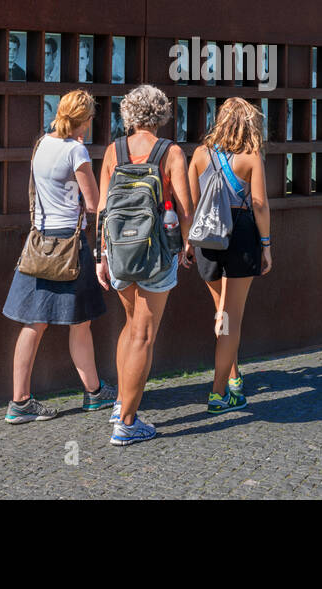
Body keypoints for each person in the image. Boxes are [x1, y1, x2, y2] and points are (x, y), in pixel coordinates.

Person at [1, 90, 117, 423]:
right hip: (69, 245)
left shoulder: (41, 145)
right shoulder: (75, 149)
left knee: (34, 325)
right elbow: (94, 203)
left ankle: (20, 400)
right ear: (84, 119)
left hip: (40, 243)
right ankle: (94, 394)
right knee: (80, 322)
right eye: (92, 117)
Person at [95, 84, 194, 445]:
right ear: (162, 114)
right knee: (144, 334)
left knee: (130, 326)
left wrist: (100, 256)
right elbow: (184, 207)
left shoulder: (113, 151)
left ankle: (121, 399)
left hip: (119, 252)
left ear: (129, 114)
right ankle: (127, 422)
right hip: (156, 253)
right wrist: (186, 246)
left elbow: (103, 210)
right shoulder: (170, 151)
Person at [187, 97, 272, 413]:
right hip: (240, 234)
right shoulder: (251, 157)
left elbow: (193, 205)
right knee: (231, 318)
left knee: (221, 314)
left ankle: (234, 381)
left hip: (207, 238)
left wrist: (187, 245)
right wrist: (266, 246)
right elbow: (260, 204)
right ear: (248, 123)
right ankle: (218, 393)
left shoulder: (198, 154)